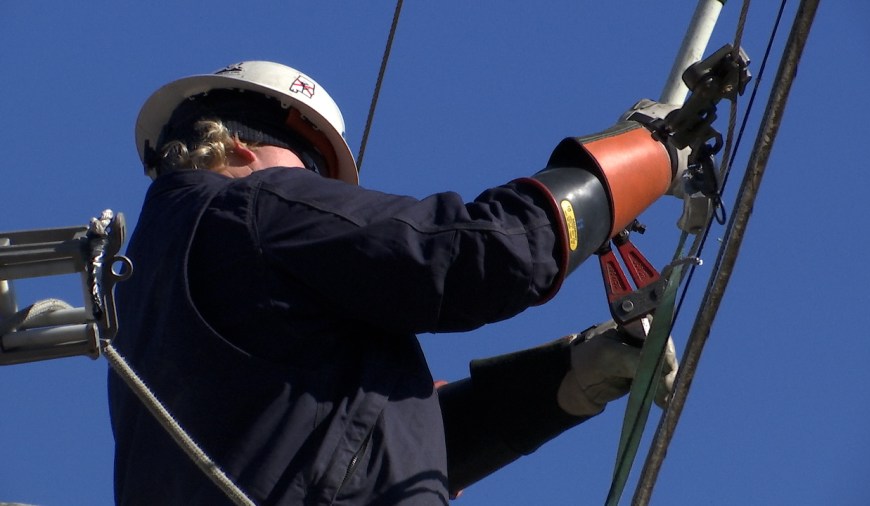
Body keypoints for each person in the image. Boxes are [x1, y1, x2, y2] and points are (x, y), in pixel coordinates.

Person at [108, 60, 680, 505]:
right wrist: (644, 159)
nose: (319, 195)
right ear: (238, 147)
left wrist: (572, 378)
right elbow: (483, 253)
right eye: (309, 172)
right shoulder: (250, 206)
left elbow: (363, 453)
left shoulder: (141, 305)